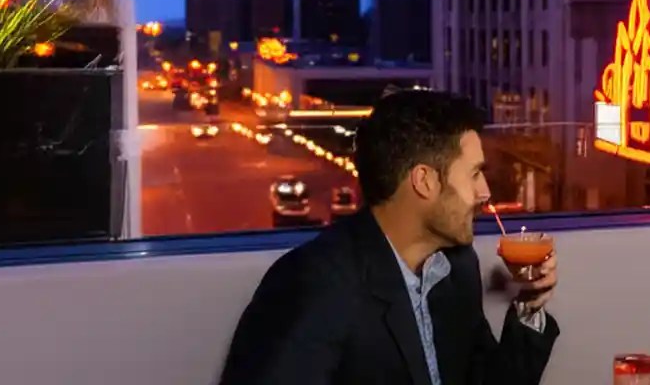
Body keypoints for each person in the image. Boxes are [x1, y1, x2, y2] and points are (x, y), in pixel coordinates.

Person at [219, 89, 560, 385]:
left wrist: (530, 304)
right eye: (474, 174)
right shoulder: (312, 285)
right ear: (424, 181)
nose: (485, 192)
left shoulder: (456, 268)